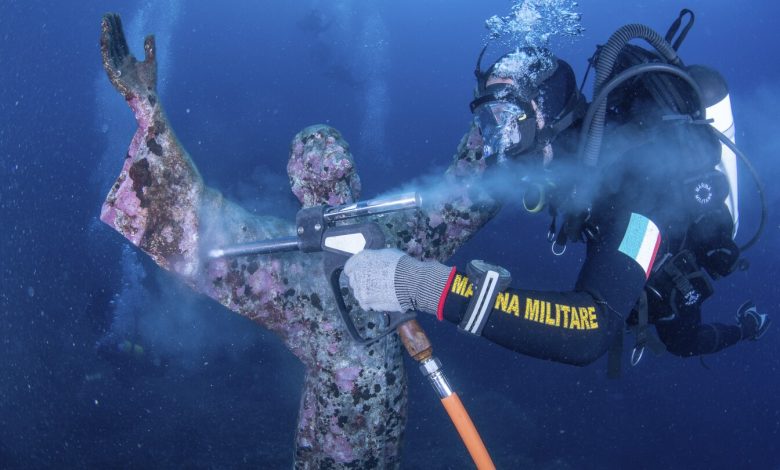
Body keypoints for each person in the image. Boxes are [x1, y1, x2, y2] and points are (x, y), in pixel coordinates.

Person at [98, 13, 499, 468]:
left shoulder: (368, 237)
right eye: (326, 174)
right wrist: (145, 105)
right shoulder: (309, 253)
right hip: (344, 434)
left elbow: (461, 201)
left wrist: (496, 120)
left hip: (371, 429)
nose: (334, 183)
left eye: (336, 172)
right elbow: (468, 195)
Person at [344, 15, 771, 374]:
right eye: (490, 123)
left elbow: (588, 330)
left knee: (682, 339)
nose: (497, 143)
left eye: (510, 122)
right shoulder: (564, 157)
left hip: (665, 263)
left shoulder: (641, 190)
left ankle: (749, 326)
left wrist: (418, 283)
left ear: (548, 114)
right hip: (614, 234)